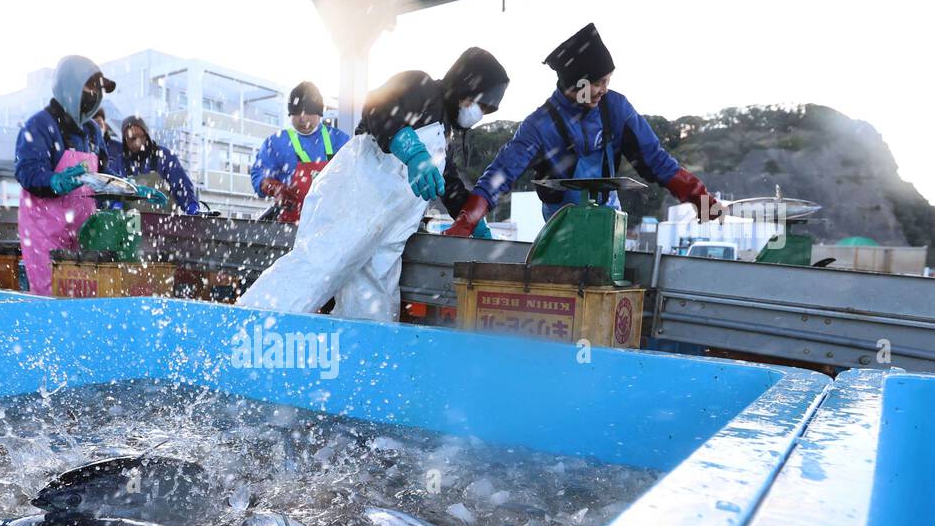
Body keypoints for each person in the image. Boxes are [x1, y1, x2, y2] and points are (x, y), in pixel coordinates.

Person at [238, 48, 509, 321]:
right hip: (353, 203)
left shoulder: (442, 132)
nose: (479, 114)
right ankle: (246, 327)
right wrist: (411, 150)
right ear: (464, 86)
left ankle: (360, 357)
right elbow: (377, 106)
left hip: (386, 231)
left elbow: (447, 182)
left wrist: (470, 215)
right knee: (318, 268)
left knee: (373, 300)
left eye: (486, 110)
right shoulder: (422, 86)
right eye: (480, 104)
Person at [445, 23, 721, 237]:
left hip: (610, 222)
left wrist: (703, 200)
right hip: (560, 227)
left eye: (608, 81)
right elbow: (500, 175)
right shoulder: (539, 125)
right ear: (578, 82)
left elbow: (656, 160)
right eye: (599, 82)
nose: (604, 90)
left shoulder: (616, 108)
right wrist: (466, 220)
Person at [14, 55, 116, 295]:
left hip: (84, 234)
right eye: (89, 86)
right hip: (44, 234)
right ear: (70, 85)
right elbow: (27, 171)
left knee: (83, 299)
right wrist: (54, 181)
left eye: (98, 90)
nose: (95, 94)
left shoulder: (92, 131)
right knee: (50, 299)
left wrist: (125, 187)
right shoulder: (39, 125)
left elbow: (102, 172)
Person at [250, 82, 351, 222]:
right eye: (297, 113)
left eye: (309, 111)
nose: (303, 118)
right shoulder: (276, 143)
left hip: (333, 224)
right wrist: (274, 188)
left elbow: (356, 176)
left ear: (319, 112)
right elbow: (258, 176)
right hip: (290, 225)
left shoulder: (340, 140)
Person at [111, 115, 201, 215]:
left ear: (146, 136)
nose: (136, 142)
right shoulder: (119, 163)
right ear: (125, 140)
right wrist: (114, 204)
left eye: (139, 136)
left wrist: (191, 205)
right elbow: (111, 190)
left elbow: (182, 187)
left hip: (165, 223)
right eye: (131, 138)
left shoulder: (165, 157)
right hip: (129, 225)